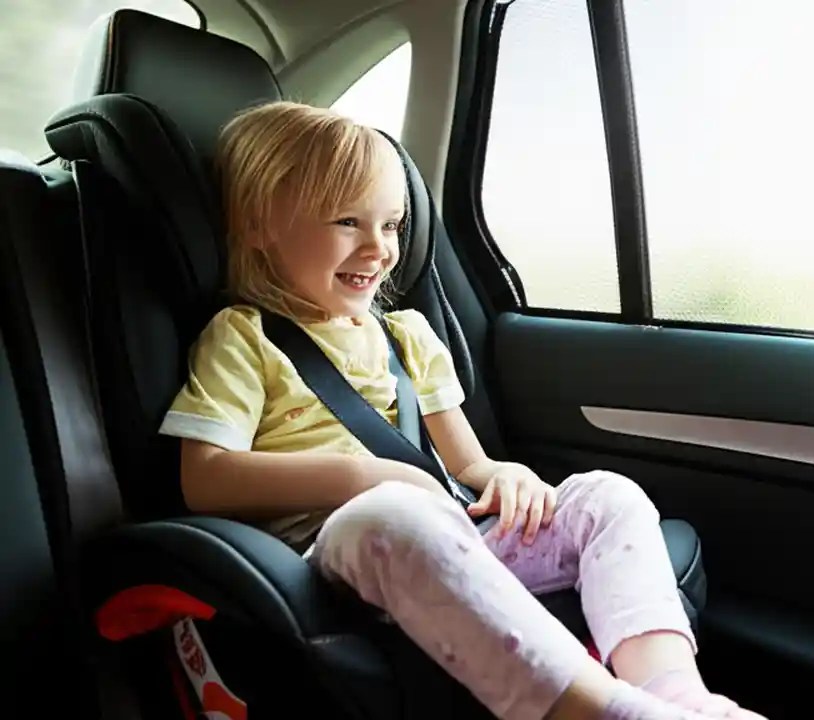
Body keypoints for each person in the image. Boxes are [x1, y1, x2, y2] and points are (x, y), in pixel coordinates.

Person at [156, 100, 767, 720]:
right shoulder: (244, 337)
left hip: (451, 530)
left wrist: (505, 475)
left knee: (607, 495)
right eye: (347, 221)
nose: (379, 248)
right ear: (261, 226)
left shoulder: (408, 336)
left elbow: (467, 462)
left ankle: (678, 697)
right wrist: (362, 477)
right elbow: (204, 476)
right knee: (393, 513)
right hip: (337, 556)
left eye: (392, 225)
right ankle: (606, 712)